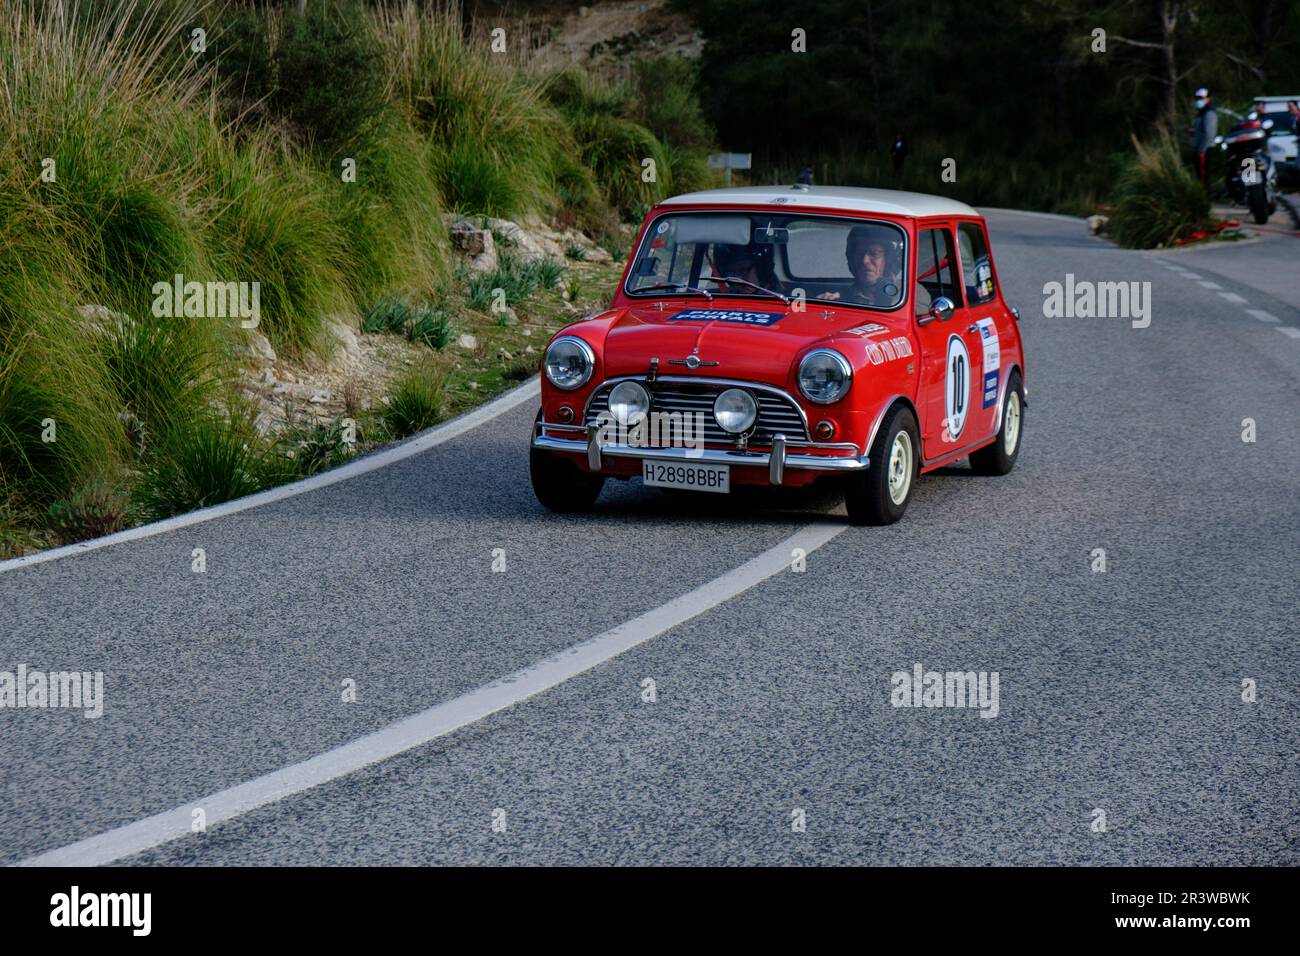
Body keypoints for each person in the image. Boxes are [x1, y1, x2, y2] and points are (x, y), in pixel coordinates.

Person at [816, 224, 902, 307]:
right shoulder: (839, 300)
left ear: (889, 261)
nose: (864, 261)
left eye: (874, 254)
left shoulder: (906, 301)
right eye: (859, 253)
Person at [1192, 87, 1217, 189]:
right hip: (1199, 148)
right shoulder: (1201, 113)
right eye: (1197, 98)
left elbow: (1209, 134)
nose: (1199, 100)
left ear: (1207, 99)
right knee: (1200, 174)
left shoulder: (1209, 113)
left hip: (1205, 149)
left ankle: (1206, 195)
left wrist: (1202, 150)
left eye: (1201, 98)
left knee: (1204, 175)